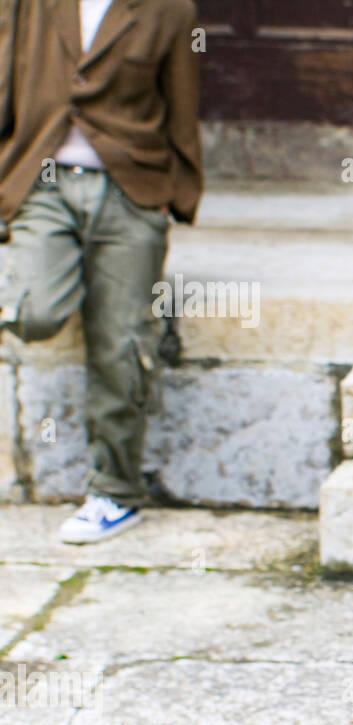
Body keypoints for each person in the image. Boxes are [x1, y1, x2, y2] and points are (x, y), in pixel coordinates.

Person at [0, 0, 202, 543]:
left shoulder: (169, 9)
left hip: (129, 190)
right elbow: (5, 73)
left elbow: (180, 101)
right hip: (42, 183)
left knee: (123, 343)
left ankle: (115, 490)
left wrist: (173, 194)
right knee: (37, 309)